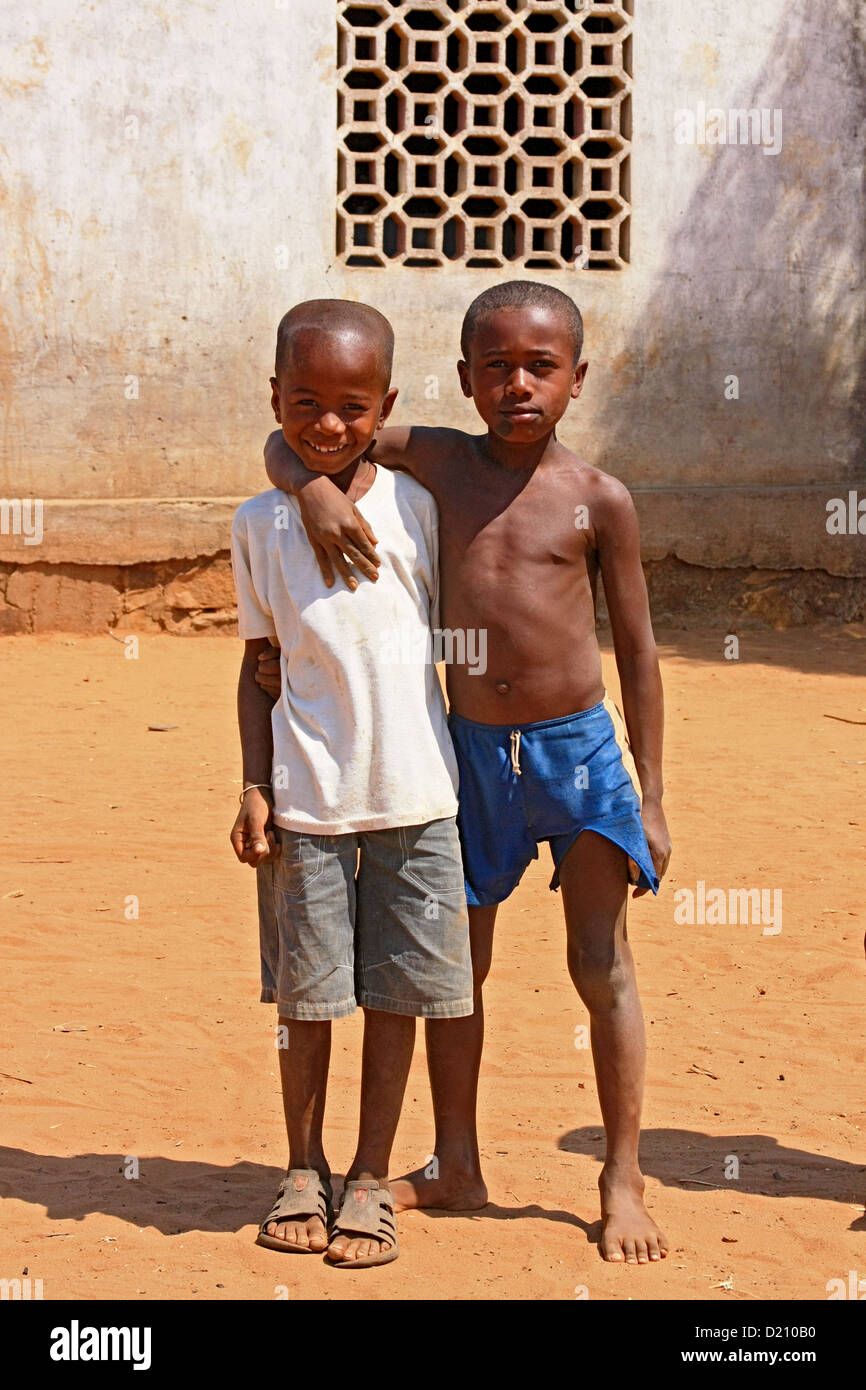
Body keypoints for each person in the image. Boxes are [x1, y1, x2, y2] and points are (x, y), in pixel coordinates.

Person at [259, 281, 673, 1265]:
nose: (517, 385)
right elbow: (294, 440)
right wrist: (311, 489)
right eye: (495, 367)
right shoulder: (437, 457)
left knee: (596, 963)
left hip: (577, 756)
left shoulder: (598, 499)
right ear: (460, 380)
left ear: (577, 376)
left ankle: (620, 1174)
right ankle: (454, 1161)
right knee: (454, 973)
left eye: (540, 367)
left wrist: (650, 792)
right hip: (468, 758)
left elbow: (640, 648)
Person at [229, 298, 473, 1268]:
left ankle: (369, 1176)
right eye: (303, 402)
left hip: (416, 797)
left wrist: (320, 488)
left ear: (385, 406)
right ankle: (302, 1164)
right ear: (273, 398)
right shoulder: (257, 522)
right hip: (307, 801)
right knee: (306, 998)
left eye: (350, 405)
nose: (325, 424)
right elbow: (257, 665)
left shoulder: (416, 505)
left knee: (396, 994)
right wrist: (253, 783)